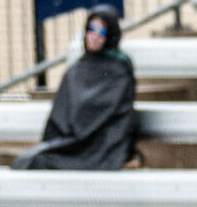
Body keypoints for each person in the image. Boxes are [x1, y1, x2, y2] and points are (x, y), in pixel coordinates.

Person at [12, 9, 137, 174]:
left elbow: (118, 115)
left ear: (110, 34)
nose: (94, 36)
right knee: (30, 161)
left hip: (102, 144)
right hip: (73, 141)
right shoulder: (77, 68)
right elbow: (61, 112)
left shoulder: (119, 69)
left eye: (101, 32)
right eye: (90, 29)